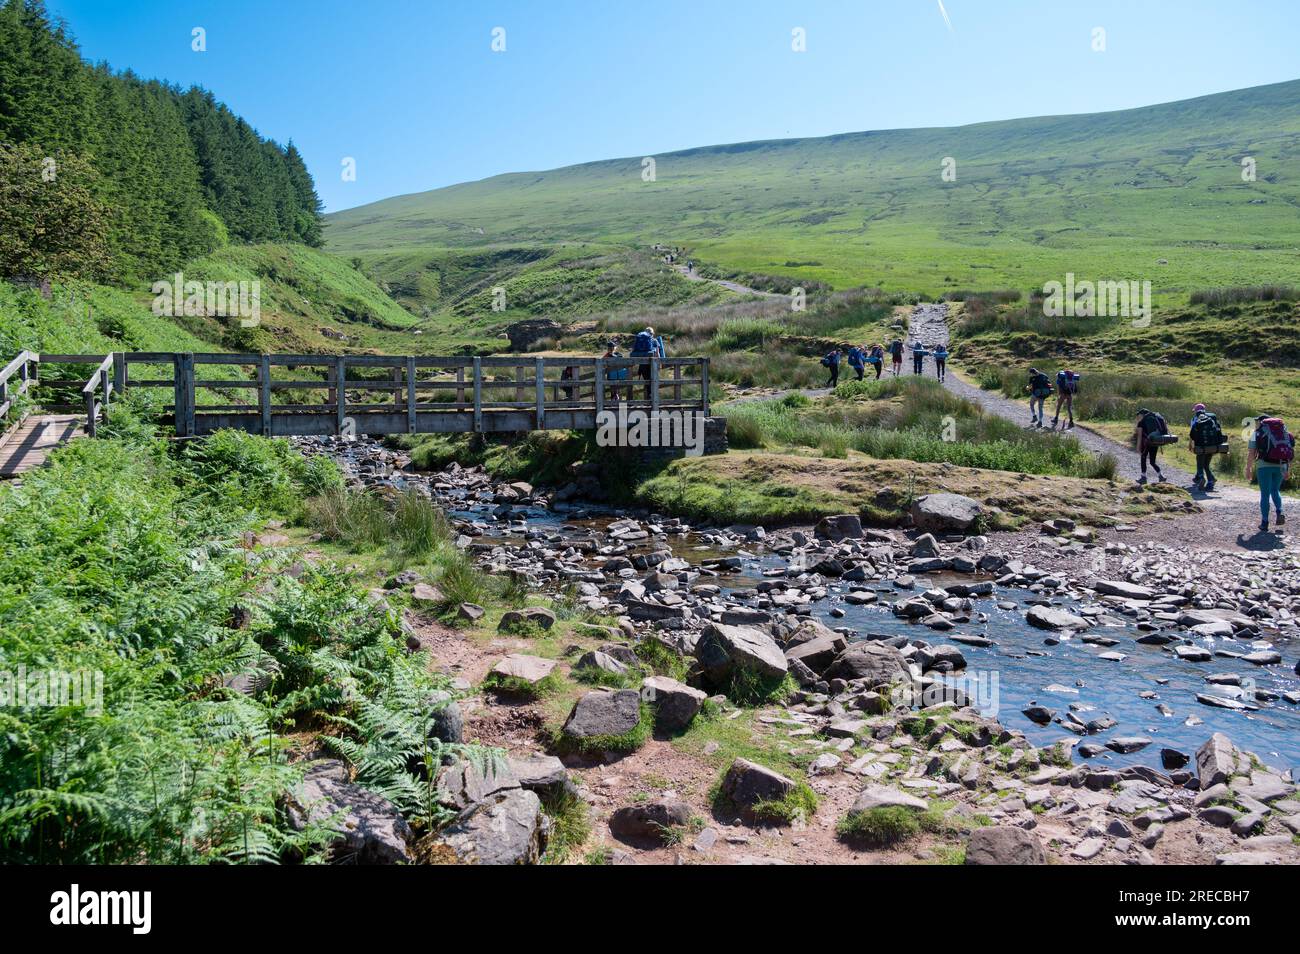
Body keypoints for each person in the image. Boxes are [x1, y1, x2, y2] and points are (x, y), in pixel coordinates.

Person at [1246, 414, 1293, 532]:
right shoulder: (1285, 433)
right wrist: (1287, 469)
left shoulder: (1257, 433)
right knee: (1275, 490)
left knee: (1265, 494)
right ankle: (1279, 512)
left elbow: (1251, 453)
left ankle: (1265, 522)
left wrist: (1248, 469)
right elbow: (1288, 452)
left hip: (1264, 466)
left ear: (1262, 423)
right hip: (1281, 466)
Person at [1188, 402, 1224, 491]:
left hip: (1201, 446)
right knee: (1206, 465)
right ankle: (1211, 482)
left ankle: (1201, 478)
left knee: (1200, 463)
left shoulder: (1195, 419)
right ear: (1204, 410)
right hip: (1212, 445)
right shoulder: (1212, 418)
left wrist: (1190, 444)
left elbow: (1192, 434)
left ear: (1196, 411)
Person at [1134, 407, 1170, 484]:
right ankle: (1161, 476)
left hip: (1146, 443)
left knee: (1143, 458)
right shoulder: (1155, 418)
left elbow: (1140, 436)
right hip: (1155, 441)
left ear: (1142, 414)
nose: (1138, 417)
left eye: (1139, 415)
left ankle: (1143, 477)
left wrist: (1138, 447)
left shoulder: (1141, 422)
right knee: (1152, 462)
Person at [631, 325, 658, 400]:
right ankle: (653, 398)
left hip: (642, 365)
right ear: (652, 333)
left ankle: (648, 398)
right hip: (652, 365)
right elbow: (657, 354)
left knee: (647, 381)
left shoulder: (640, 339)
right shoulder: (654, 341)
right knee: (653, 381)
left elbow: (634, 350)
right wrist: (660, 363)